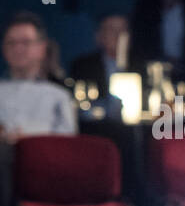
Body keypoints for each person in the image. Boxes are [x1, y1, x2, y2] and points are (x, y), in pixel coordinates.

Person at [0, 12, 77, 140]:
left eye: (25, 42)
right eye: (11, 43)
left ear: (42, 47)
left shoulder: (58, 95)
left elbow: (66, 143)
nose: (18, 49)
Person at [69, 13, 129, 99]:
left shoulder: (142, 66)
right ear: (99, 36)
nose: (118, 35)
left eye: (123, 30)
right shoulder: (83, 66)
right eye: (112, 30)